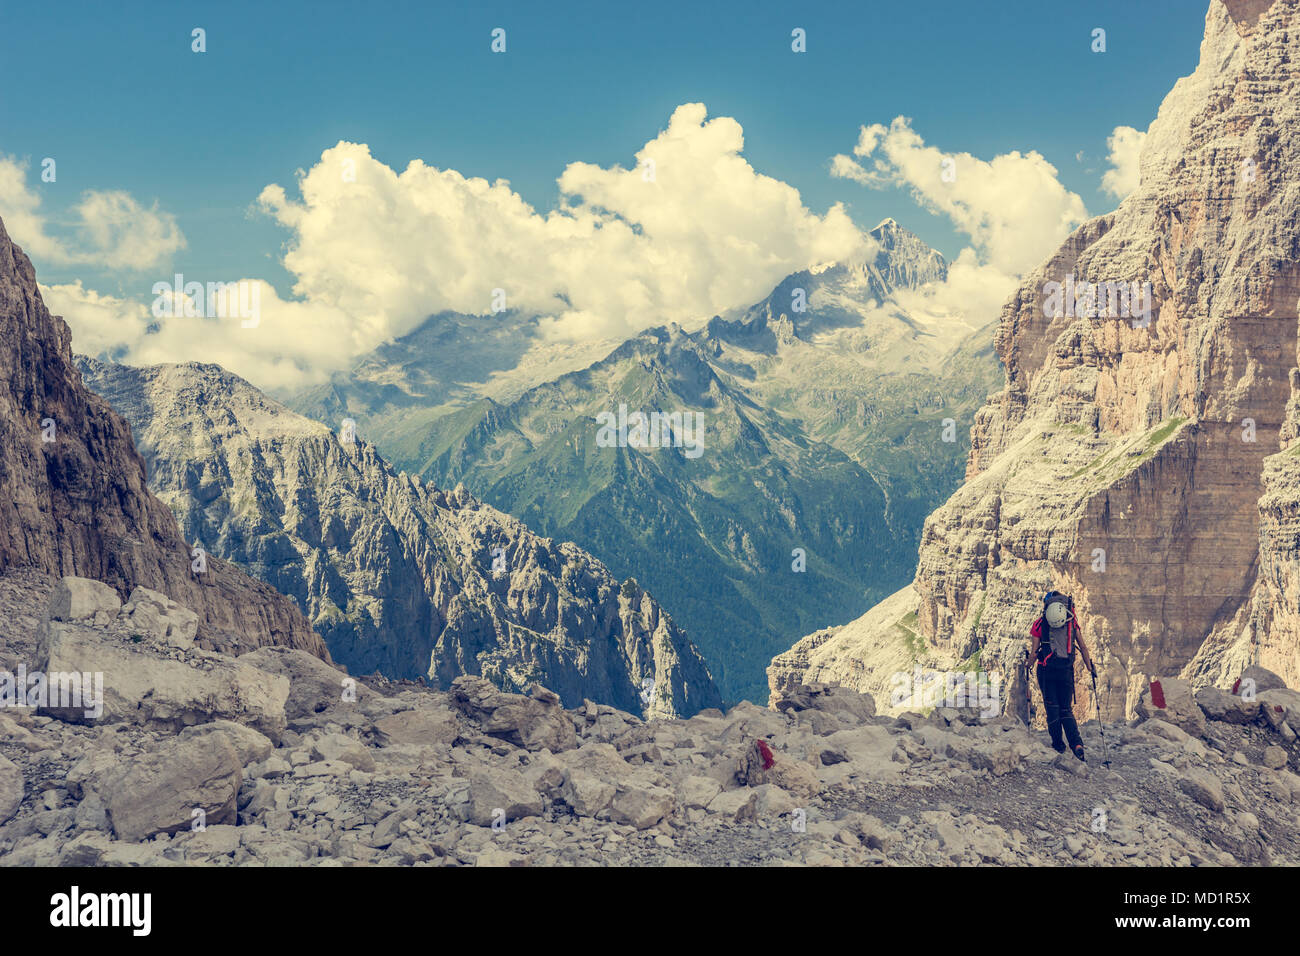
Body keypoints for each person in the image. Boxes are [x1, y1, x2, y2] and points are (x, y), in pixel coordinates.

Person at [1028, 590, 1095, 760]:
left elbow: (1035, 652)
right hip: (1066, 671)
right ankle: (1077, 744)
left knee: (1052, 709)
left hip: (1046, 671)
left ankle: (1058, 745)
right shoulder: (1071, 623)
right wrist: (1090, 667)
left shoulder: (1039, 624)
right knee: (1066, 710)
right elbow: (1084, 647)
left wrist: (1027, 665)